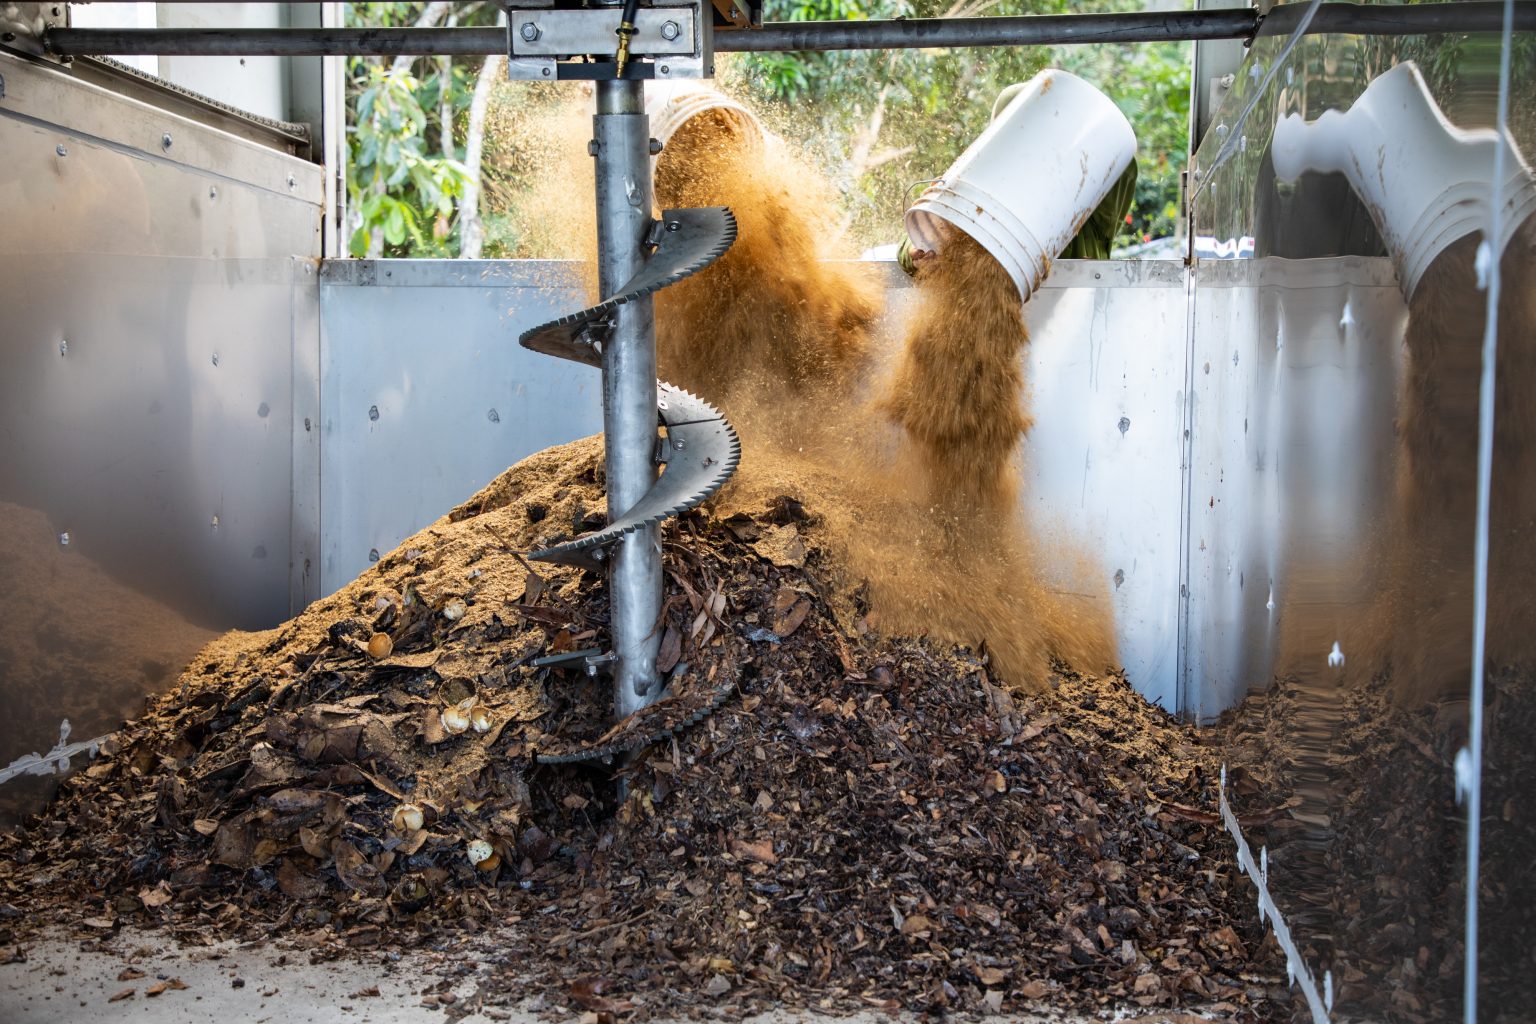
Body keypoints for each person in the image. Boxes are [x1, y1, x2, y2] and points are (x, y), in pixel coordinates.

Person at [899, 81, 1138, 273]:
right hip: (995, 325)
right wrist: (916, 252)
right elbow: (917, 240)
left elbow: (1122, 164)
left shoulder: (1085, 209)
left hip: (1074, 327)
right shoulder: (982, 199)